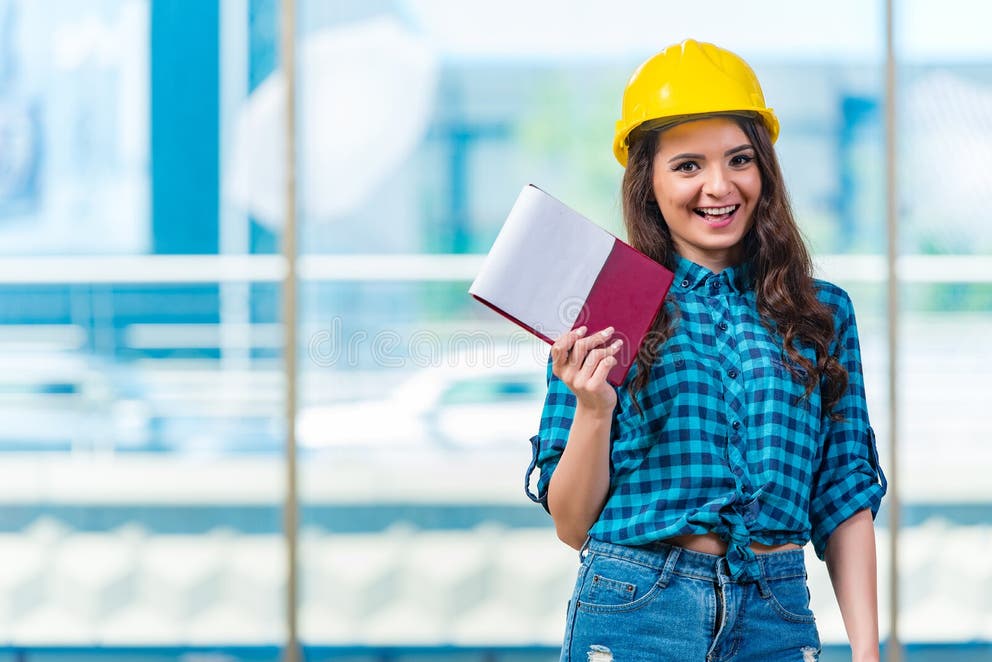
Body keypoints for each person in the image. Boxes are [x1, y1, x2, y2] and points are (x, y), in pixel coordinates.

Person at [524, 39, 887, 662]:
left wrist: (870, 651)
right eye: (687, 165)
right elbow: (571, 525)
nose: (718, 187)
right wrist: (592, 410)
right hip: (635, 609)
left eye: (739, 159)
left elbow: (843, 493)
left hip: (776, 613)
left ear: (765, 169)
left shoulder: (822, 313)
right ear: (650, 182)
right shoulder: (603, 305)